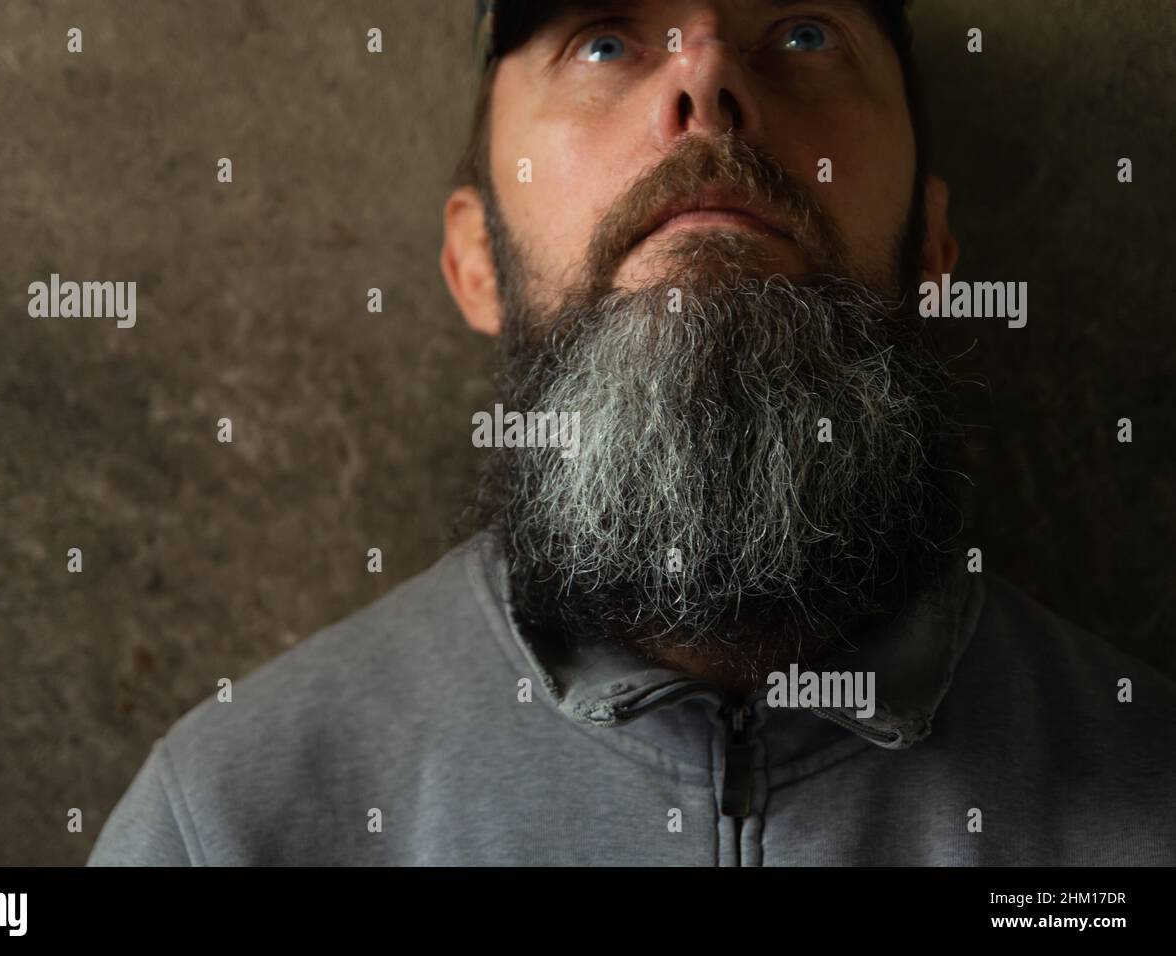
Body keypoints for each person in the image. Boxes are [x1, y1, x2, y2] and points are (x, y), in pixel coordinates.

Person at [88, 0, 1176, 866]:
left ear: (932, 245)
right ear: (475, 257)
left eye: (804, 32)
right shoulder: (232, 824)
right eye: (603, 38)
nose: (706, 82)